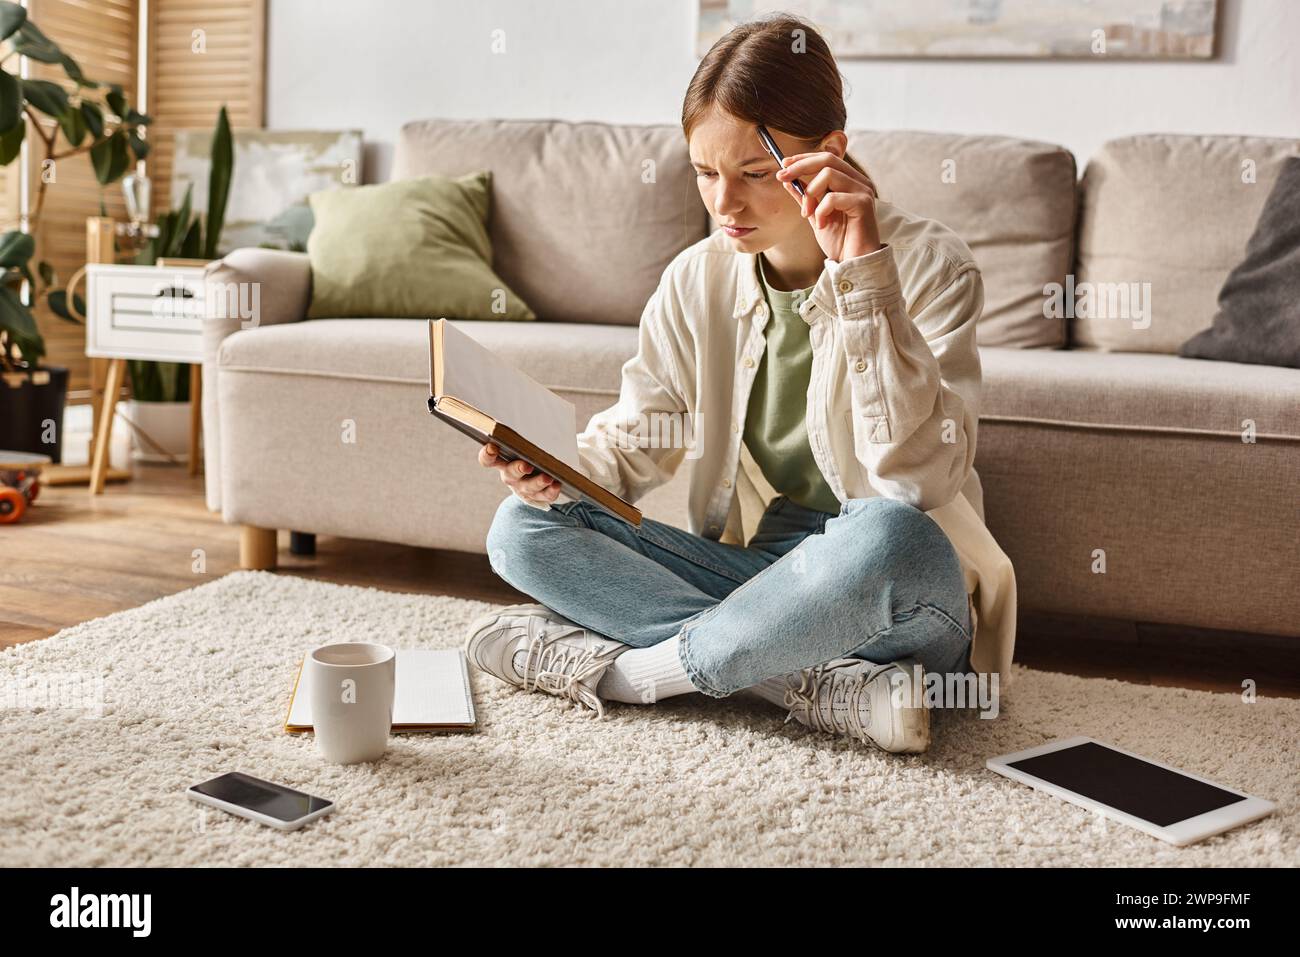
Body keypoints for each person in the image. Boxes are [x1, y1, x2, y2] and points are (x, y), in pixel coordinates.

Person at [464, 13, 1017, 754]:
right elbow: (638, 436)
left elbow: (919, 479)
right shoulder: (696, 278)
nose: (725, 204)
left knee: (888, 532)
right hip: (759, 574)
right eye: (704, 172)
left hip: (893, 594)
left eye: (756, 174)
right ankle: (812, 685)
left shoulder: (931, 268)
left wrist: (863, 282)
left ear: (830, 155)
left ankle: (638, 674)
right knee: (521, 530)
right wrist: (555, 470)